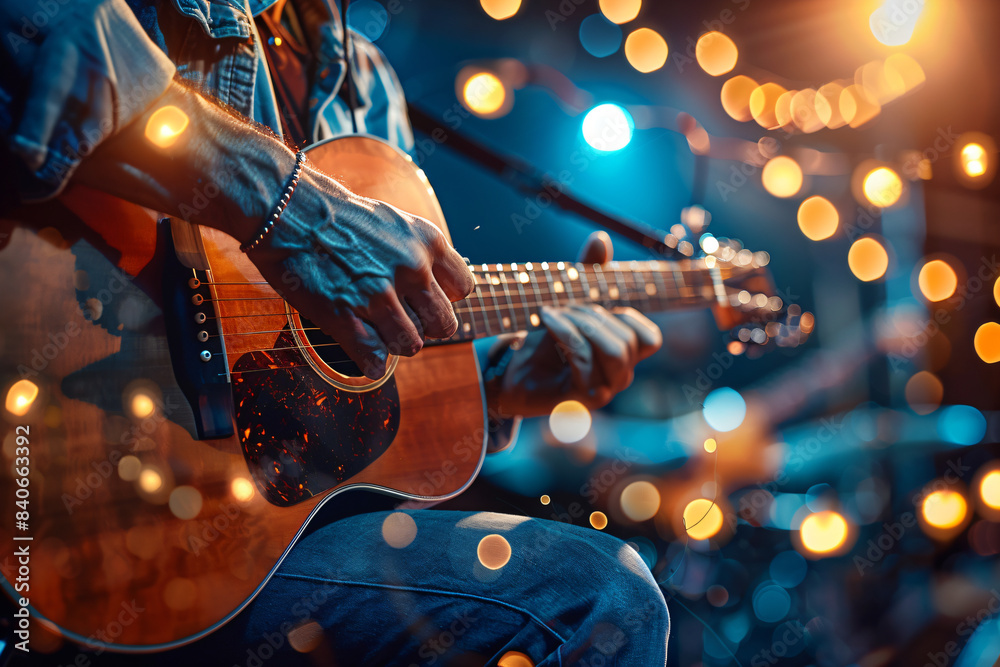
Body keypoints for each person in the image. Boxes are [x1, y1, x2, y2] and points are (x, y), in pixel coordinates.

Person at [0, 0, 671, 664]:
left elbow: (348, 343)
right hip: (78, 491)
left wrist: (496, 386)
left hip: (245, 546)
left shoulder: (365, 78)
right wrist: (295, 213)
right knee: (596, 595)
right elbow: (37, 33)